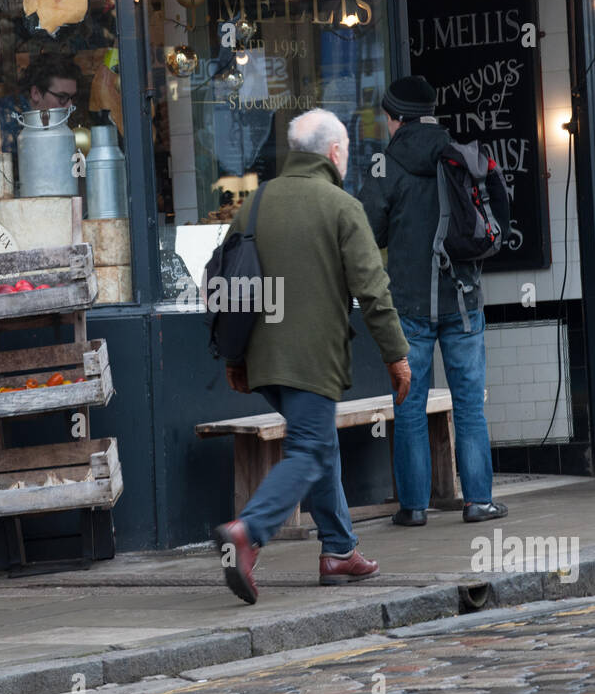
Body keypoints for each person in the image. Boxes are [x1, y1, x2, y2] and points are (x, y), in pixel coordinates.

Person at [212, 109, 412, 605]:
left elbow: (225, 281)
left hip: (263, 360)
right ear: (335, 153)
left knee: (321, 446)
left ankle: (339, 551)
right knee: (307, 451)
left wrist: (235, 359)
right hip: (310, 359)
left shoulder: (254, 203)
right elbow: (374, 290)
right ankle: (248, 532)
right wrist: (397, 355)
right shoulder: (342, 206)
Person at [362, 76, 508, 526]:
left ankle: (413, 508)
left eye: (386, 118)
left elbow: (372, 233)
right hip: (463, 299)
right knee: (468, 403)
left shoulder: (386, 166)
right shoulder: (458, 153)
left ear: (395, 118)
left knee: (408, 407)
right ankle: (478, 501)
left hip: (408, 305)